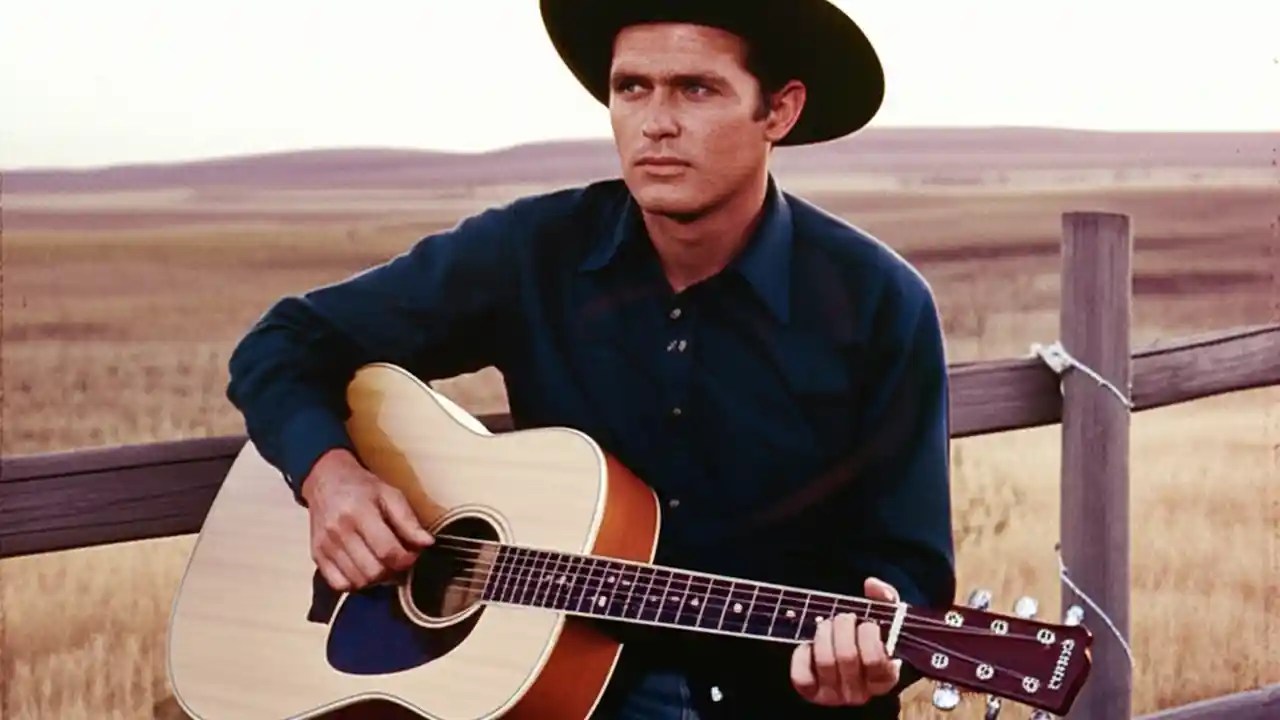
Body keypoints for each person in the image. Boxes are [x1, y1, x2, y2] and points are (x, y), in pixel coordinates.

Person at [225, 0, 956, 717]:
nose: (656, 122)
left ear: (780, 111)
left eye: (696, 89)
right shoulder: (532, 251)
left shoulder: (878, 301)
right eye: (631, 87)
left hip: (772, 701)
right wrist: (329, 477)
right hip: (555, 689)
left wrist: (869, 655)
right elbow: (283, 341)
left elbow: (912, 568)